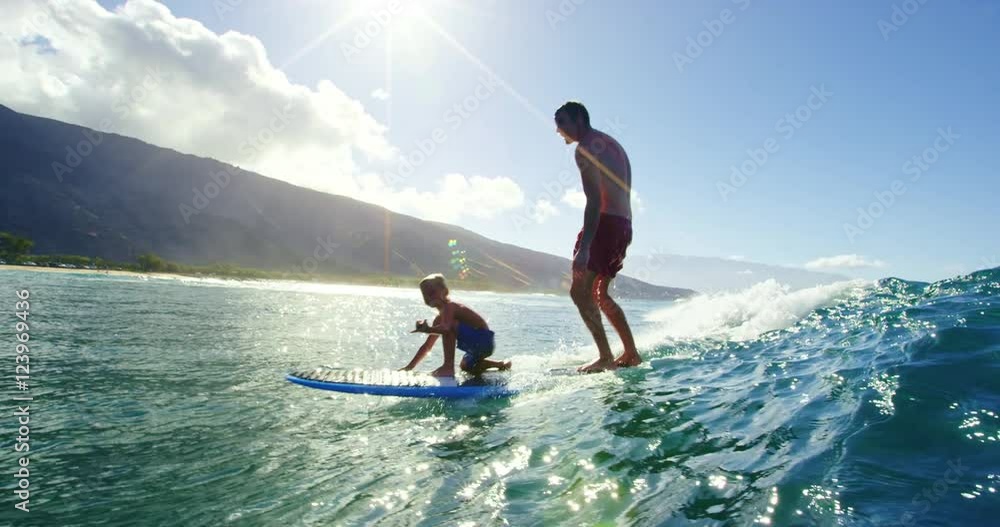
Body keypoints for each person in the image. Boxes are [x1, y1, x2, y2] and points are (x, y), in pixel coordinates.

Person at [554, 101, 641, 373]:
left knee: (579, 291)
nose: (558, 130)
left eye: (562, 121)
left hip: (605, 224)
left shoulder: (585, 148)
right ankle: (630, 353)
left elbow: (594, 200)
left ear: (579, 118)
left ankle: (605, 357)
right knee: (600, 294)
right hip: (623, 225)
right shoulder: (611, 143)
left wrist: (585, 248)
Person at [401, 273, 511, 377]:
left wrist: (428, 329)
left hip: (483, 340)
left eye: (432, 292)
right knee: (465, 366)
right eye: (425, 294)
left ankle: (448, 367)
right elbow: (427, 346)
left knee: (448, 327)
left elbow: (446, 328)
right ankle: (501, 364)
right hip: (477, 348)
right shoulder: (439, 319)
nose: (429, 296)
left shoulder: (450, 307)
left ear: (445, 291)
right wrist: (410, 367)